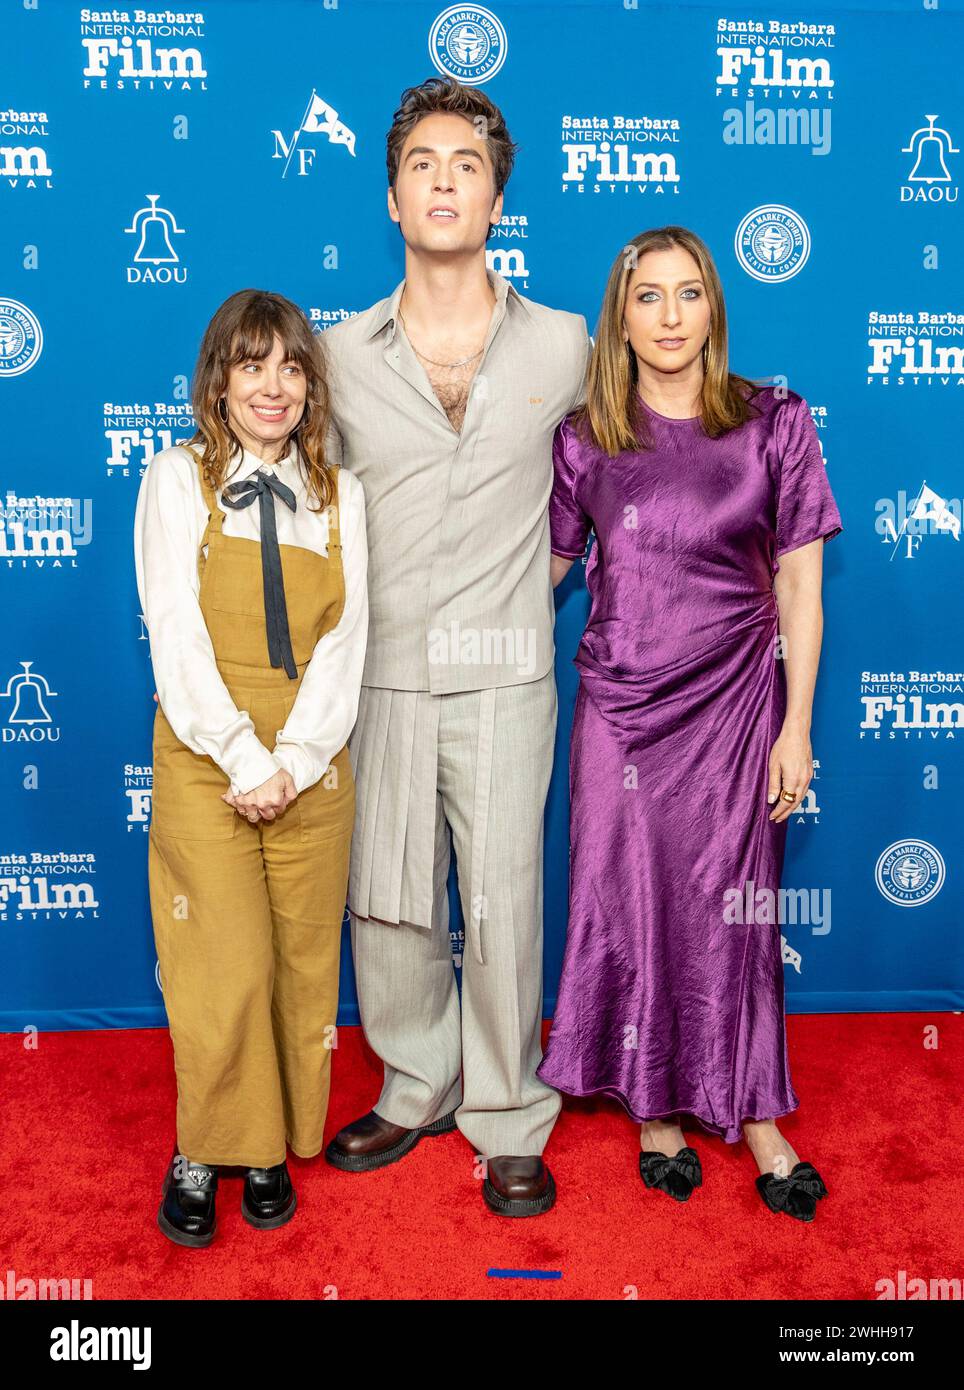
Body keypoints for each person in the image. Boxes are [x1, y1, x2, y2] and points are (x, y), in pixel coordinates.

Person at [319, 76, 591, 1216]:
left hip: (506, 674)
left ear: (496, 198)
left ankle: (507, 1110)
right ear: (391, 196)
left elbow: (596, 502)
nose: (443, 181)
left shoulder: (569, 343)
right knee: (387, 896)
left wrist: (528, 602)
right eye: (422, 163)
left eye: (466, 164)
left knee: (505, 895)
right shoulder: (332, 355)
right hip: (378, 674)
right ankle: (417, 1078)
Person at [537, 226, 842, 1223]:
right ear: (618, 317)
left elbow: (800, 577)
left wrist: (795, 725)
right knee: (629, 902)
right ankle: (655, 1110)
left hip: (736, 705)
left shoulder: (773, 421)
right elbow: (540, 572)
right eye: (647, 297)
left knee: (740, 907)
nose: (668, 318)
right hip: (622, 711)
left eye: (687, 295)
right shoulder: (585, 435)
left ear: (713, 307)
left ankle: (756, 1112)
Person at [134, 289, 368, 1247]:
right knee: (217, 966)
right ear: (219, 381)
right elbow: (176, 638)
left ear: (311, 384)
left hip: (311, 762)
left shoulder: (342, 494)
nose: (272, 387)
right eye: (251, 365)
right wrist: (241, 756)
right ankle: (204, 1147)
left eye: (291, 366)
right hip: (205, 755)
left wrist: (298, 760)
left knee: (300, 970)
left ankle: (266, 1145)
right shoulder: (173, 479)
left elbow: (349, 642)